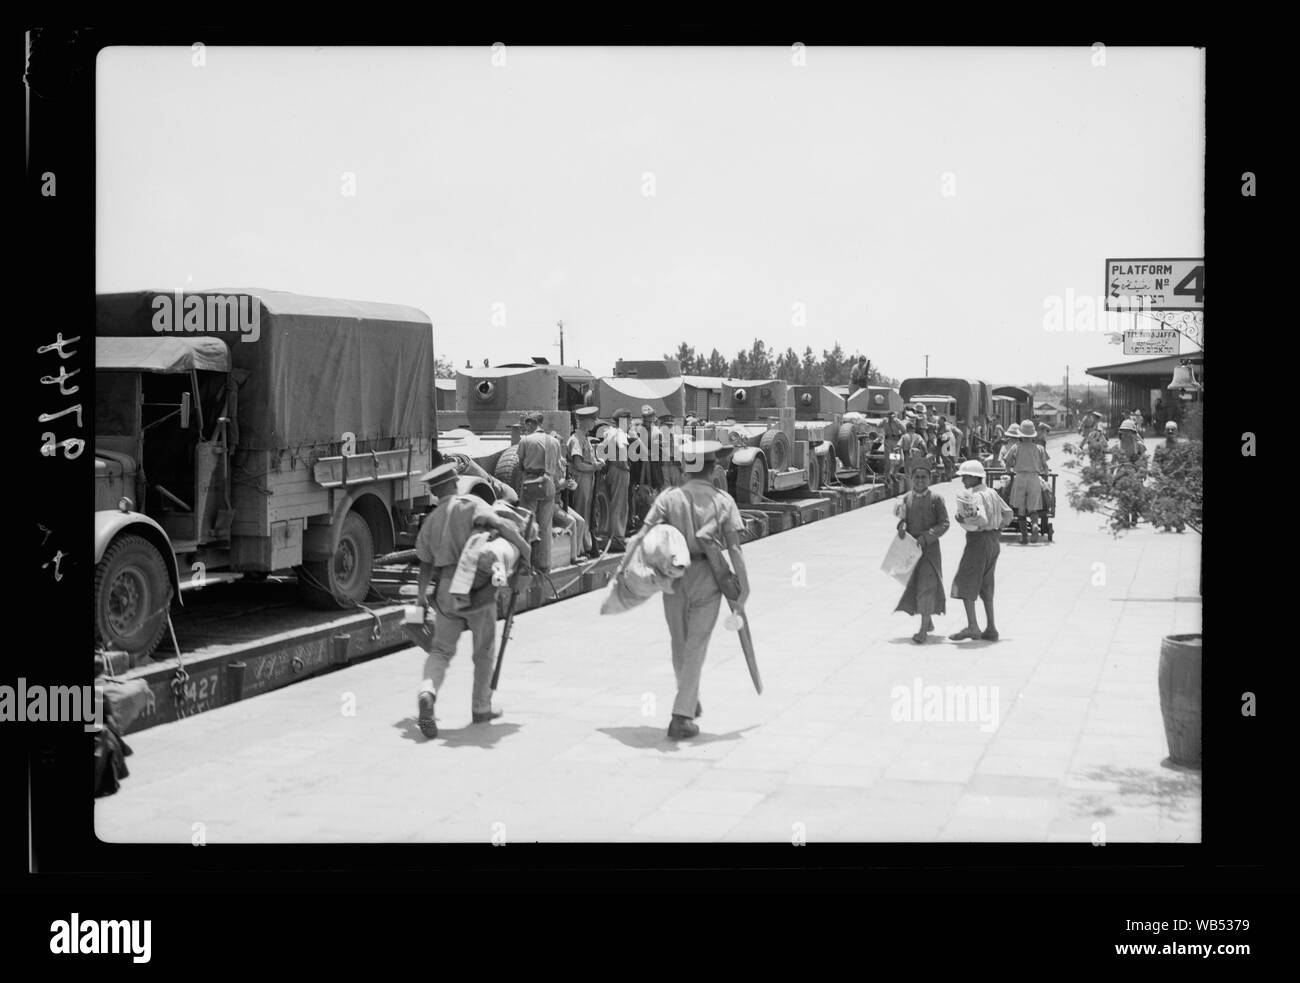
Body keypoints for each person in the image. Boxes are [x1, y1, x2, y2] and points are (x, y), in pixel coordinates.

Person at [622, 439, 750, 740]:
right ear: (714, 468)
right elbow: (734, 549)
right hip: (708, 576)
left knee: (679, 643)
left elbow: (641, 534)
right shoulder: (723, 500)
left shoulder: (669, 498)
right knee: (696, 646)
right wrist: (744, 591)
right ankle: (681, 717)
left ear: (686, 467)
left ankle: (687, 697)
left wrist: (623, 570)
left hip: (672, 577)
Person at [414, 463, 532, 739]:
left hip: (445, 590)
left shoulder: (431, 520)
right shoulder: (470, 503)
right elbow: (500, 524)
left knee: (440, 651)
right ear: (456, 483)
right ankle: (481, 708)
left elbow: (425, 564)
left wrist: (420, 599)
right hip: (475, 585)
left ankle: (427, 692)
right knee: (483, 651)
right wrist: (524, 549)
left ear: (434, 491)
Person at [949, 459, 1005, 642]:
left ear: (975, 478)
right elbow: (1009, 514)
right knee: (987, 585)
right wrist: (996, 528)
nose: (963, 480)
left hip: (978, 541)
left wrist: (961, 519)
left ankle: (973, 626)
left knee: (966, 581)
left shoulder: (974, 496)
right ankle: (991, 627)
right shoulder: (993, 493)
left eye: (965, 476)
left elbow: (978, 520)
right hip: (994, 541)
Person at [894, 463, 949, 643]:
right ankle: (929, 620)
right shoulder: (906, 498)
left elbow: (944, 523)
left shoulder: (937, 499)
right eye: (916, 477)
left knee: (927, 585)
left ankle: (923, 631)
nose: (919, 481)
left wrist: (927, 537)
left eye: (923, 477)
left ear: (929, 479)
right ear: (911, 479)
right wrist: (902, 526)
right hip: (912, 549)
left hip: (930, 549)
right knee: (917, 585)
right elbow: (903, 519)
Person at [517, 412, 561, 572]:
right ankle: (544, 565)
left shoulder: (526, 440)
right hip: (549, 483)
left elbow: (520, 463)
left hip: (531, 483)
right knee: (545, 525)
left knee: (527, 525)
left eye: (527, 424)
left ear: (531, 424)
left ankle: (526, 564)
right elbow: (557, 465)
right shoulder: (554, 441)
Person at [1004, 422, 1048, 543]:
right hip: (1034, 478)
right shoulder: (1039, 448)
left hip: (1020, 478)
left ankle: (1024, 537)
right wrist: (1045, 473)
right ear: (1033, 435)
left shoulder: (1016, 447)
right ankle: (1034, 525)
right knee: (1033, 508)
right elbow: (1045, 466)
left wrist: (1008, 471)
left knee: (1021, 509)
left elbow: (1008, 463)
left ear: (1021, 435)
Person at [567, 406, 601, 555]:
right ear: (586, 421)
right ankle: (579, 550)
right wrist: (595, 466)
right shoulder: (576, 440)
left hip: (587, 480)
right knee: (580, 513)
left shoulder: (584, 438)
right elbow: (578, 464)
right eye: (593, 420)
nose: (594, 423)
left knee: (586, 514)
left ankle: (585, 546)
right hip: (581, 480)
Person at [601, 408, 633, 552]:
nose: (631, 423)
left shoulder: (609, 432)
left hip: (611, 469)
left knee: (614, 503)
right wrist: (625, 464)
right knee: (620, 505)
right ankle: (617, 539)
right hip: (620, 469)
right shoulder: (620, 434)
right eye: (629, 420)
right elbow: (622, 448)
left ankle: (612, 536)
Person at [658, 413, 683, 488]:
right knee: (666, 491)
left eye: (670, 425)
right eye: (667, 425)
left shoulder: (675, 437)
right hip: (662, 467)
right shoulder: (657, 437)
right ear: (661, 425)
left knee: (677, 491)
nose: (669, 427)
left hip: (675, 467)